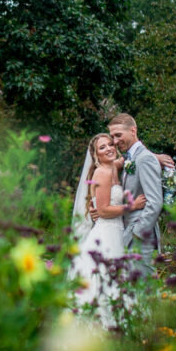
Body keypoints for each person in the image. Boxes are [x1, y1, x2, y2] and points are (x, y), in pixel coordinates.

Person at [69, 133, 146, 328]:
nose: (109, 148)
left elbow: (128, 158)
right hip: (106, 234)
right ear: (96, 156)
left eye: (111, 144)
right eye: (102, 148)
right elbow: (103, 210)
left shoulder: (113, 166)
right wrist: (133, 207)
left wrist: (157, 158)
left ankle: (119, 322)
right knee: (105, 280)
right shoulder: (101, 173)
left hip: (117, 232)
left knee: (116, 280)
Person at [99, 113, 169, 273]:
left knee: (144, 289)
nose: (115, 142)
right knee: (133, 289)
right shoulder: (130, 159)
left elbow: (155, 202)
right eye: (112, 137)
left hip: (140, 236)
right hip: (127, 232)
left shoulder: (145, 159)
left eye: (118, 135)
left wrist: (137, 233)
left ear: (133, 130)